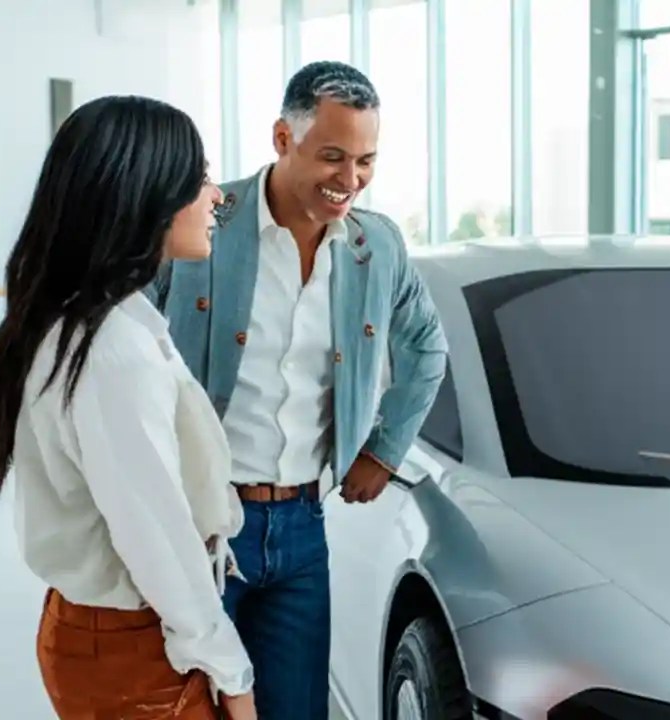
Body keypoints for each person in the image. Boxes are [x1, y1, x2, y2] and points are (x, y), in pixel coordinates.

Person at [147, 60, 448, 718]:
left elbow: (427, 347)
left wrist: (384, 448)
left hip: (302, 529)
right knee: (189, 706)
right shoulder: (202, 221)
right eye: (333, 156)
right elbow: (121, 333)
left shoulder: (378, 246)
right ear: (283, 139)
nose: (350, 181)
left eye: (366, 160)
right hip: (199, 523)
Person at [0, 95, 257, 719]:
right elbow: (156, 537)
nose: (216, 197)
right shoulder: (111, 350)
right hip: (136, 643)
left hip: (101, 631)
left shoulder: (84, 319)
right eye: (199, 178)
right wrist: (232, 674)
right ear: (144, 195)